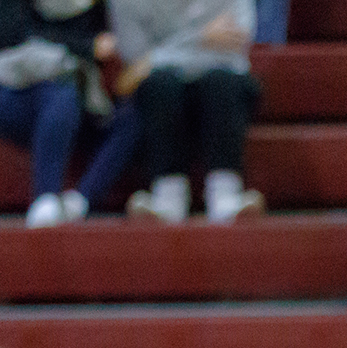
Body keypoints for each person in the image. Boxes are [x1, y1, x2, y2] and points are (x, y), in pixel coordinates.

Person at [0, 0, 142, 227]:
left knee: (131, 116)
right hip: (18, 94)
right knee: (63, 94)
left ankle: (79, 202)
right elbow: (12, 37)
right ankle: (46, 198)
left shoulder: (100, 7)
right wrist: (85, 47)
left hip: (85, 100)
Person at [110, 0, 265, 223]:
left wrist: (160, 56)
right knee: (161, 85)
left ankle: (225, 197)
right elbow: (135, 63)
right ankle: (168, 198)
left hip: (222, 80)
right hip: (161, 90)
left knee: (222, 82)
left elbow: (235, 48)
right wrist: (200, 38)